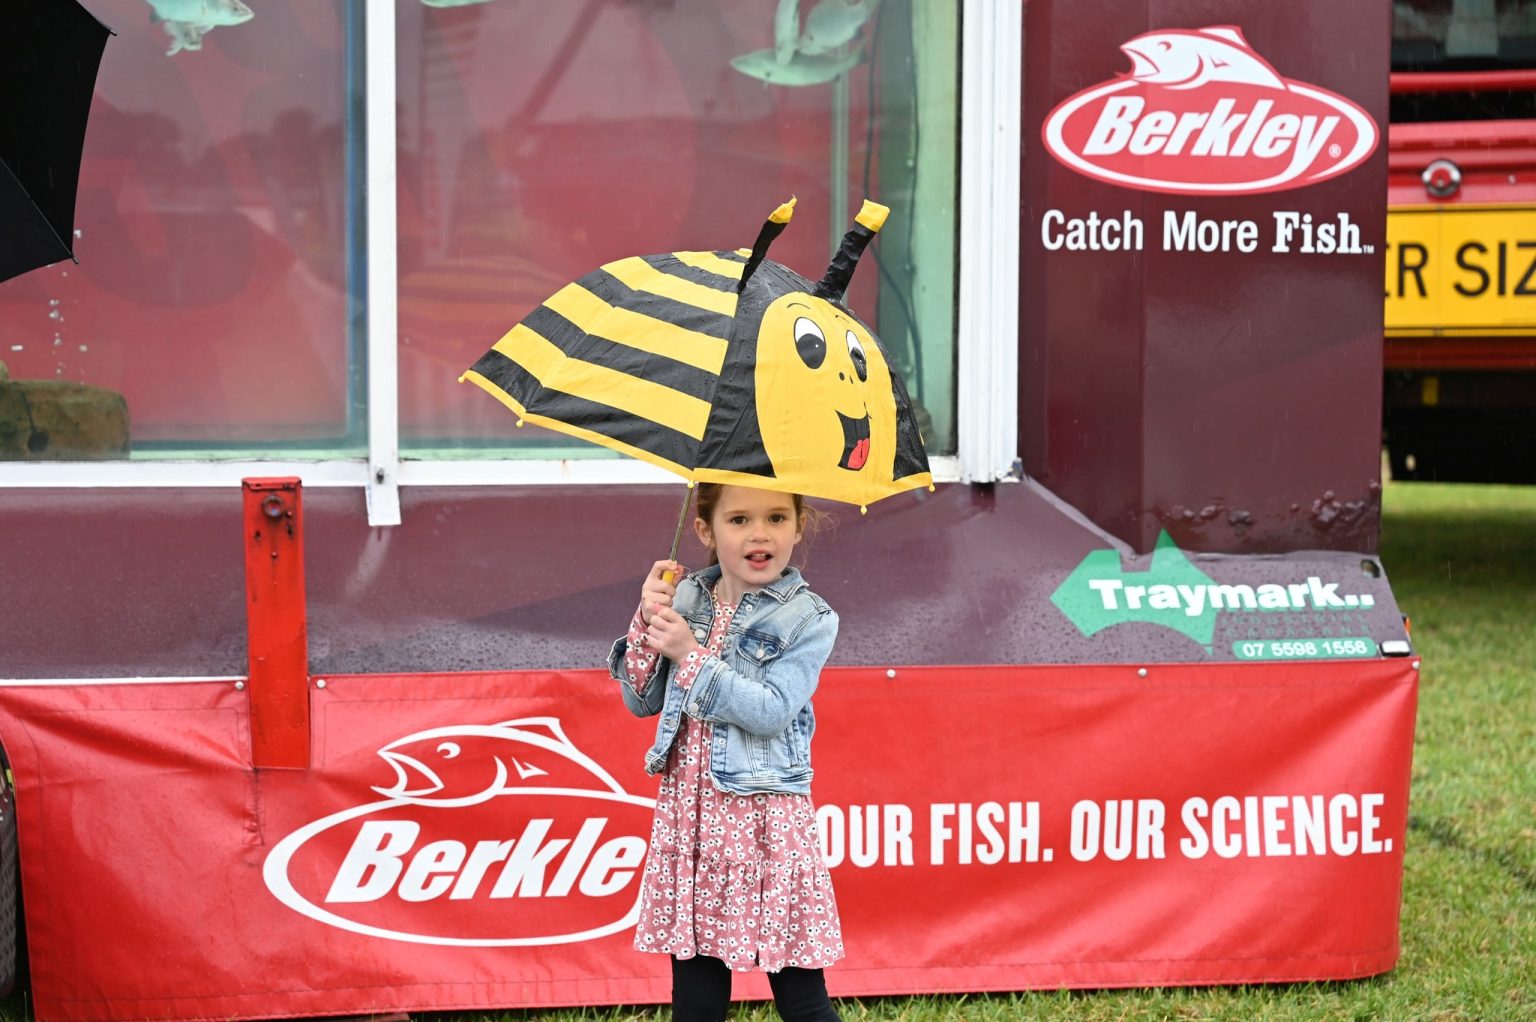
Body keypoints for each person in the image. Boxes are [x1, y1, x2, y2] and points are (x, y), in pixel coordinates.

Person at [608, 483, 844, 1022]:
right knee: (696, 994)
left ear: (798, 527)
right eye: (739, 520)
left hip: (765, 826)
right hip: (691, 823)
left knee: (801, 996)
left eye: (777, 518)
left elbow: (769, 709)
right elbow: (640, 699)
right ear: (705, 530)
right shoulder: (687, 598)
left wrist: (690, 656)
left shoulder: (809, 618)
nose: (760, 534)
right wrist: (647, 621)